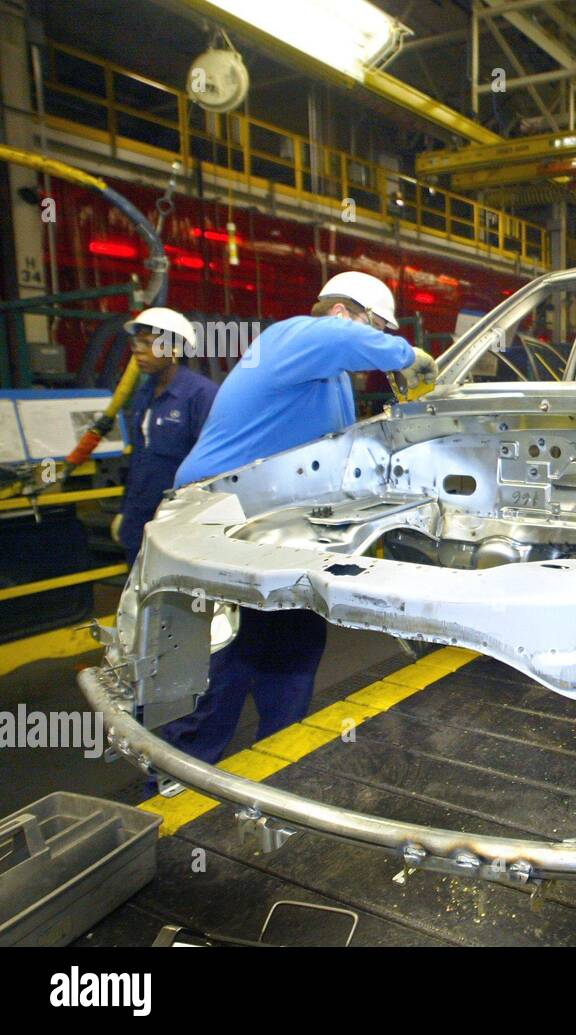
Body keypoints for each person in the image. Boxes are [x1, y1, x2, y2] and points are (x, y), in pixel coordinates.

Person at [161, 272, 437, 766]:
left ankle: (281, 757)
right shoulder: (292, 337)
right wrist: (409, 357)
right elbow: (344, 338)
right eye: (376, 326)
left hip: (279, 530)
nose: (377, 343)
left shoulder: (330, 379)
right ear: (342, 311)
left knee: (292, 646)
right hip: (216, 520)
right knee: (217, 662)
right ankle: (175, 779)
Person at [112, 307, 217, 568]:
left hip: (181, 521)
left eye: (148, 343)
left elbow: (212, 467)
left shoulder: (201, 395)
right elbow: (139, 459)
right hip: (141, 517)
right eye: (136, 342)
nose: (137, 349)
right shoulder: (144, 394)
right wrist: (126, 510)